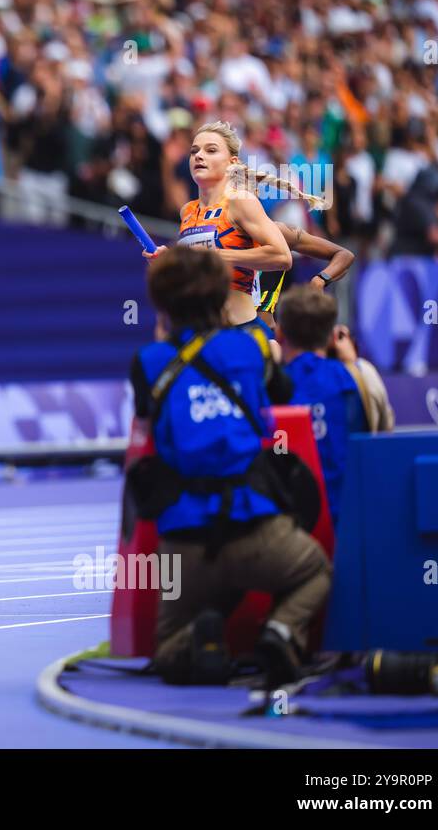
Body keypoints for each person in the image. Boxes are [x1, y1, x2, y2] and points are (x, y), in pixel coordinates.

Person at [128, 246, 330, 688]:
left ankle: (202, 638)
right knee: (315, 571)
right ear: (223, 294)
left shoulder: (147, 362)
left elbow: (148, 417)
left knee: (166, 651)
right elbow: (281, 393)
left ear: (161, 303)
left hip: (184, 540)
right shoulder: (251, 346)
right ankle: (279, 632)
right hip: (256, 527)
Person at [145, 121, 328, 340]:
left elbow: (282, 256)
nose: (199, 156)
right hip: (198, 332)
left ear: (232, 163)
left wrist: (215, 256)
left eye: (210, 150)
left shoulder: (240, 201)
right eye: (194, 151)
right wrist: (171, 264)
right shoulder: (187, 211)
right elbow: (194, 278)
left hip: (241, 331)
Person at [276, 286, 392, 522]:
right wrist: (353, 363)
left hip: (292, 522)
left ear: (279, 334)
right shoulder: (361, 375)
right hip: (353, 519)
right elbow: (384, 433)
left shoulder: (268, 385)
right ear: (331, 338)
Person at [255, 223, 356, 332]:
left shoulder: (278, 232)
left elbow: (344, 255)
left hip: (267, 337)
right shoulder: (234, 246)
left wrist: (320, 280)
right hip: (237, 332)